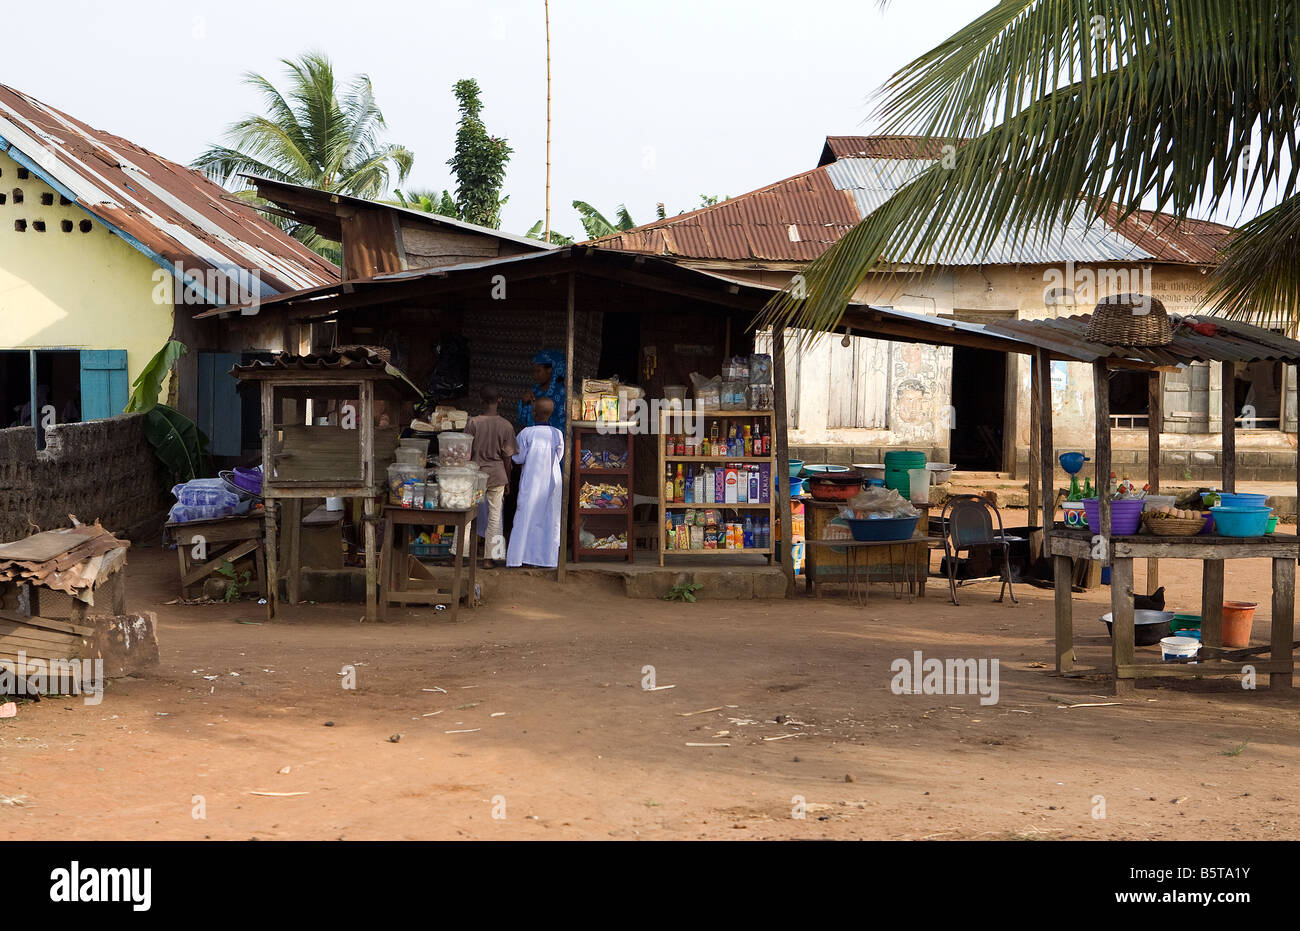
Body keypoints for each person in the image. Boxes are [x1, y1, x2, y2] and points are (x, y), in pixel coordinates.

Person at [507, 396, 564, 568]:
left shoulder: (526, 433)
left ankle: (519, 558)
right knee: (548, 519)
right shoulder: (557, 433)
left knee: (525, 517)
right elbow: (559, 456)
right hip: (551, 482)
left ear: (533, 412)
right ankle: (546, 559)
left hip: (531, 481)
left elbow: (518, 458)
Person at [465, 385, 517, 568]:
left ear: (480, 400)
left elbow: (466, 454)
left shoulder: (473, 423)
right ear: (500, 399)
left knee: (466, 515)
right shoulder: (506, 426)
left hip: (475, 475)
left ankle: (459, 554)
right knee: (495, 517)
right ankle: (489, 558)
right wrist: (508, 480)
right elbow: (508, 458)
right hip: (497, 475)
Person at [517, 349, 567, 435]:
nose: (534, 375)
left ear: (550, 370)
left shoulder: (563, 392)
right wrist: (525, 402)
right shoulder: (535, 390)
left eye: (538, 371)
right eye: (533, 371)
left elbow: (563, 422)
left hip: (553, 441)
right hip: (533, 440)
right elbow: (523, 420)